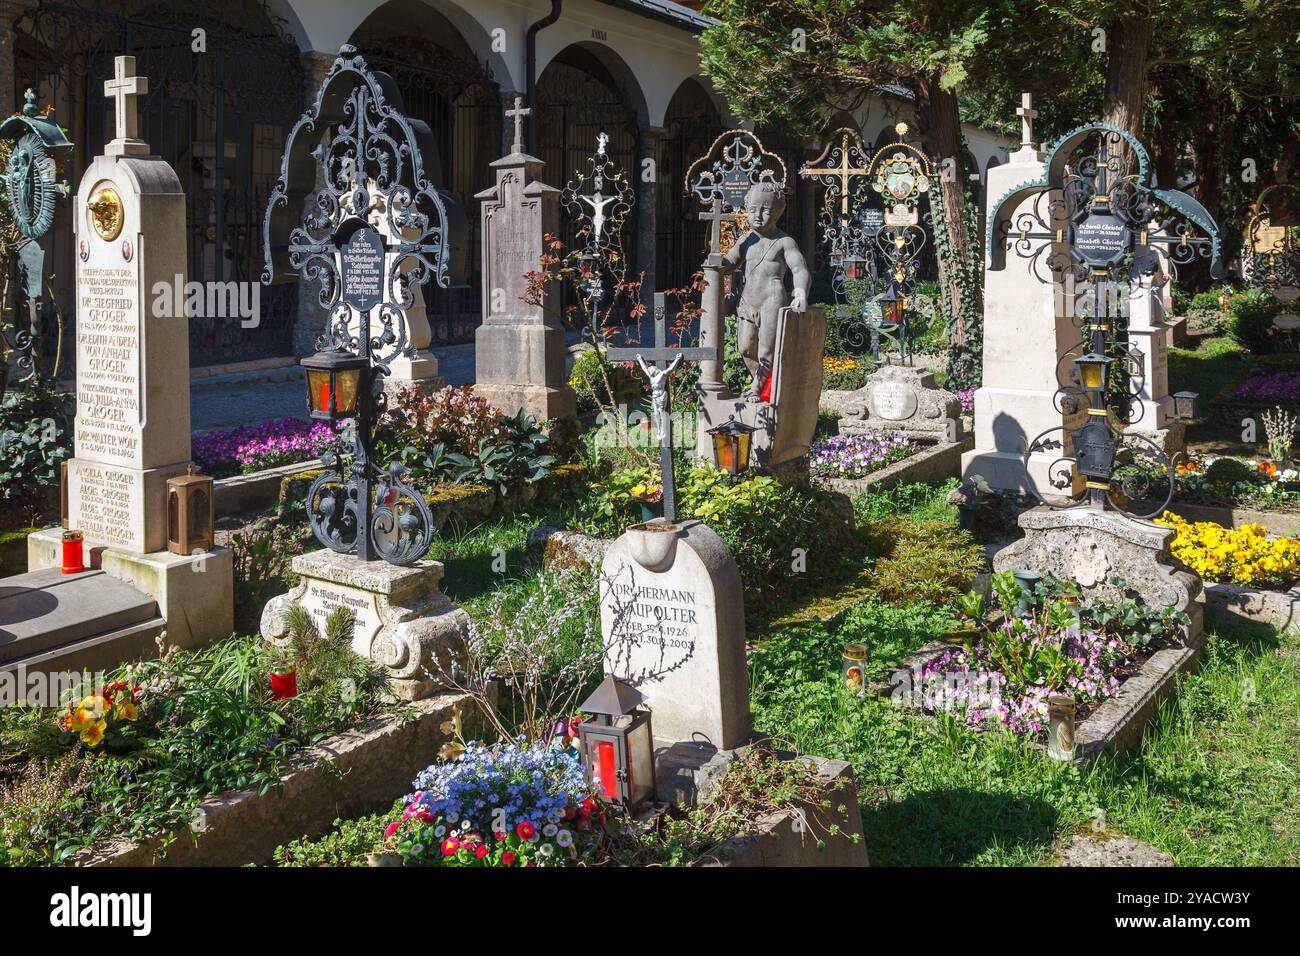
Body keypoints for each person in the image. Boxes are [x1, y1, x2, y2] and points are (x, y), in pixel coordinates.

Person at [720, 181, 811, 400]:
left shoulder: (784, 241)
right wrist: (714, 262)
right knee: (745, 348)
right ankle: (767, 386)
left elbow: (799, 268)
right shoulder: (746, 240)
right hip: (748, 301)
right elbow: (728, 264)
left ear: (777, 212)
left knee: (766, 350)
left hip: (772, 298)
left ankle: (758, 389)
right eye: (752, 210)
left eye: (766, 210)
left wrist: (800, 291)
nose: (758, 216)